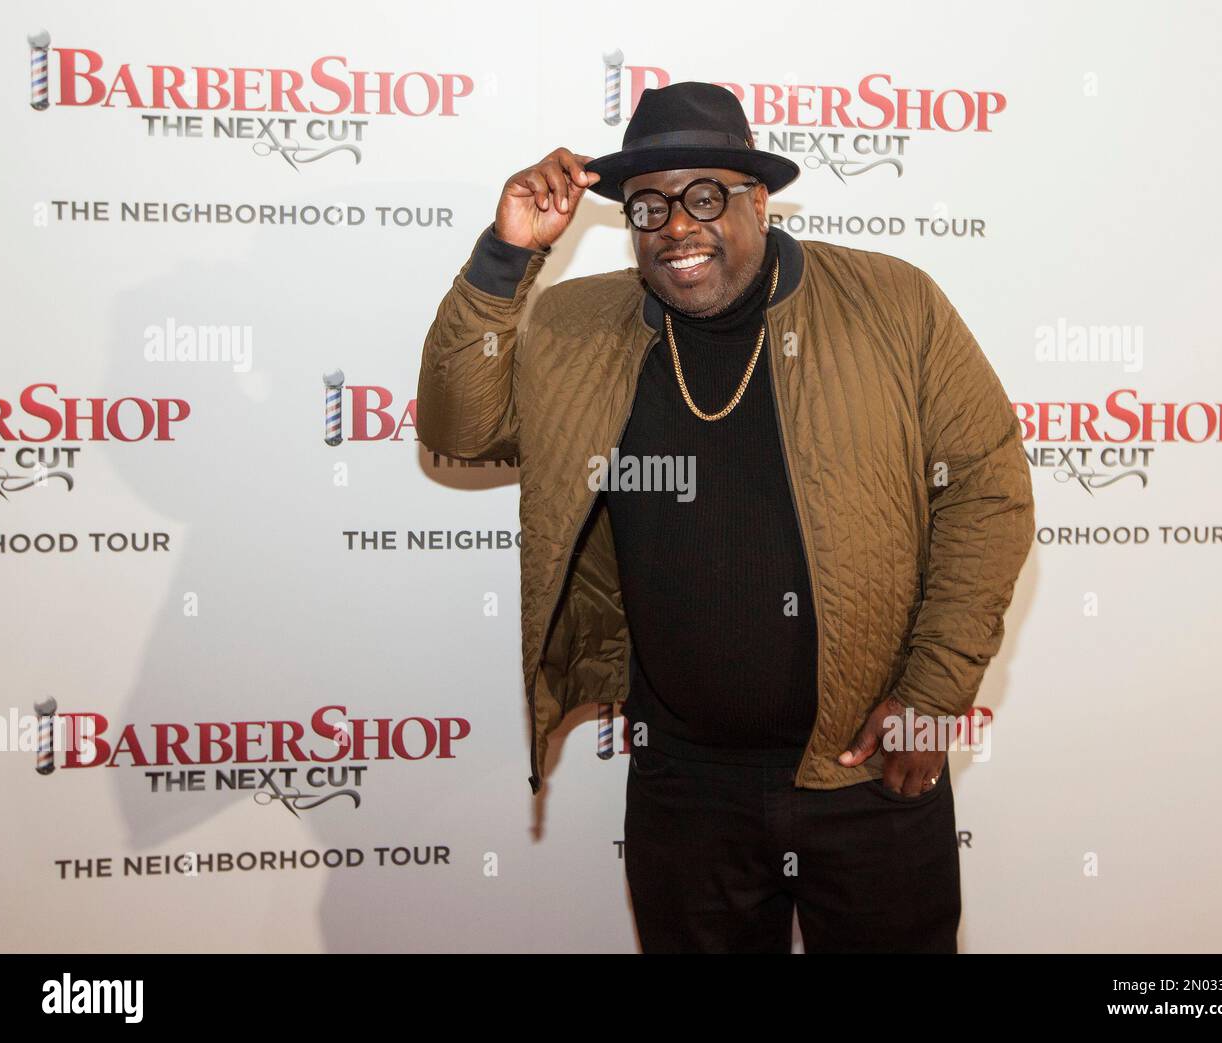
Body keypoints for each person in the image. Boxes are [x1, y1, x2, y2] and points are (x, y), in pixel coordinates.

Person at [418, 81, 1035, 953]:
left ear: (759, 200)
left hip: (866, 776)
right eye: (649, 206)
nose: (677, 226)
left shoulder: (895, 306)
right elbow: (459, 426)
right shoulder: (577, 328)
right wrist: (503, 257)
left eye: (705, 196)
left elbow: (988, 492)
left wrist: (933, 697)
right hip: (685, 788)